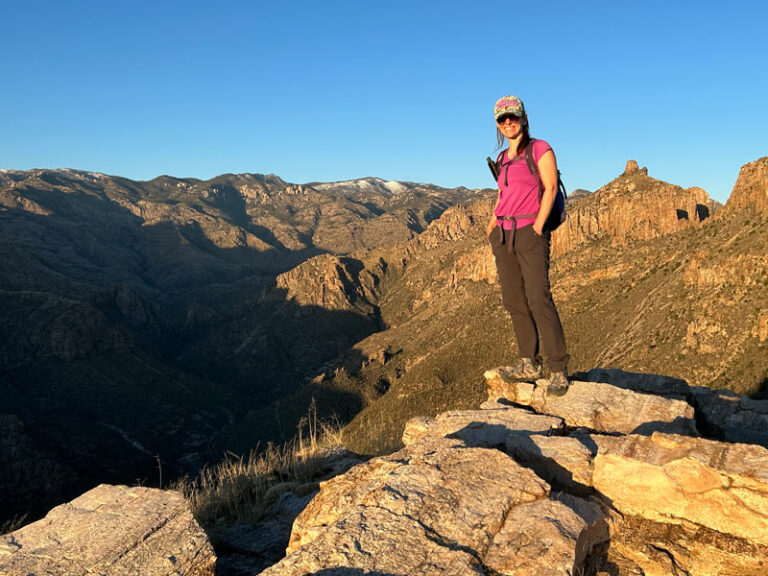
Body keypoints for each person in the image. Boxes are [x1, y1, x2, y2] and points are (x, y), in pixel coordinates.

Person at [486, 94, 570, 396]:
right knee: (514, 300)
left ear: (523, 118)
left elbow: (549, 189)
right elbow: (503, 193)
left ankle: (558, 368)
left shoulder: (540, 149)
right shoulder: (501, 158)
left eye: (513, 117)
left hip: (530, 232)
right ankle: (528, 363)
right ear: (497, 124)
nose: (508, 123)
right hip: (504, 234)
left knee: (538, 297)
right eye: (502, 119)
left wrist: (537, 227)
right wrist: (494, 221)